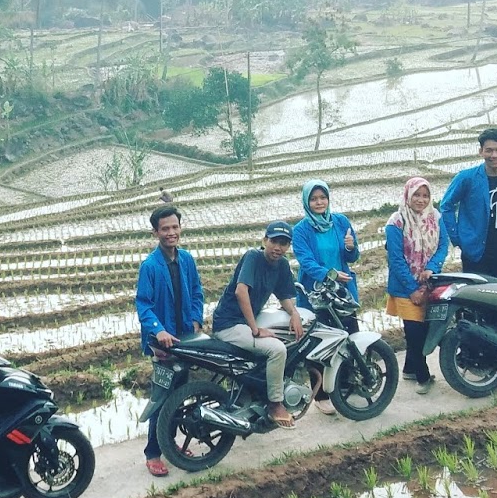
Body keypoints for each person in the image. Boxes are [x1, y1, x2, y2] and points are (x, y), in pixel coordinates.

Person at [210, 220, 307, 427]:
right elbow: (241, 291)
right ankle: (275, 404)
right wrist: (255, 329)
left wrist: (294, 313)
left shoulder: (281, 265)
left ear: (288, 246)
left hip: (245, 320)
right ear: (264, 240)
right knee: (278, 349)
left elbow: (284, 296)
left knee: (281, 336)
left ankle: (254, 390)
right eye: (274, 241)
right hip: (229, 323)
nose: (278, 248)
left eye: (284, 243)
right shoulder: (253, 257)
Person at [135, 202, 206, 476]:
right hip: (162, 345)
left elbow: (197, 291)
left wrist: (197, 320)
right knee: (161, 397)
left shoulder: (186, 259)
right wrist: (159, 329)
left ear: (180, 228)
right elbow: (143, 304)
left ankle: (171, 442)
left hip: (185, 340)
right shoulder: (150, 266)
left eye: (175, 227)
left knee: (181, 394)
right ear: (155, 233)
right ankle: (153, 452)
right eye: (165, 229)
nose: (171, 233)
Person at [440, 127, 497, 277]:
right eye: (489, 150)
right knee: (478, 296)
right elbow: (446, 206)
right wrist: (457, 238)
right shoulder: (466, 178)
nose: (494, 155)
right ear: (481, 151)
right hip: (476, 251)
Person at [385, 176, 449, 394]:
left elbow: (443, 246)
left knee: (425, 327)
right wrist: (412, 289)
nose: (421, 200)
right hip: (404, 286)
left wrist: (433, 268)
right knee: (414, 331)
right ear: (407, 196)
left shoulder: (436, 217)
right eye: (416, 195)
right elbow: (395, 259)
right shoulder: (396, 222)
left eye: (425, 195)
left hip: (430, 282)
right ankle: (423, 376)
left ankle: (409, 368)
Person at [291, 179, 360, 330]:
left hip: (342, 291)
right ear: (306, 201)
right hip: (316, 292)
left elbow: (353, 257)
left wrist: (350, 247)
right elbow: (306, 261)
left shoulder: (341, 221)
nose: (319, 202)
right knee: (323, 338)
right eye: (313, 199)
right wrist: (330, 275)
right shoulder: (300, 230)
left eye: (323, 197)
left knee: (351, 336)